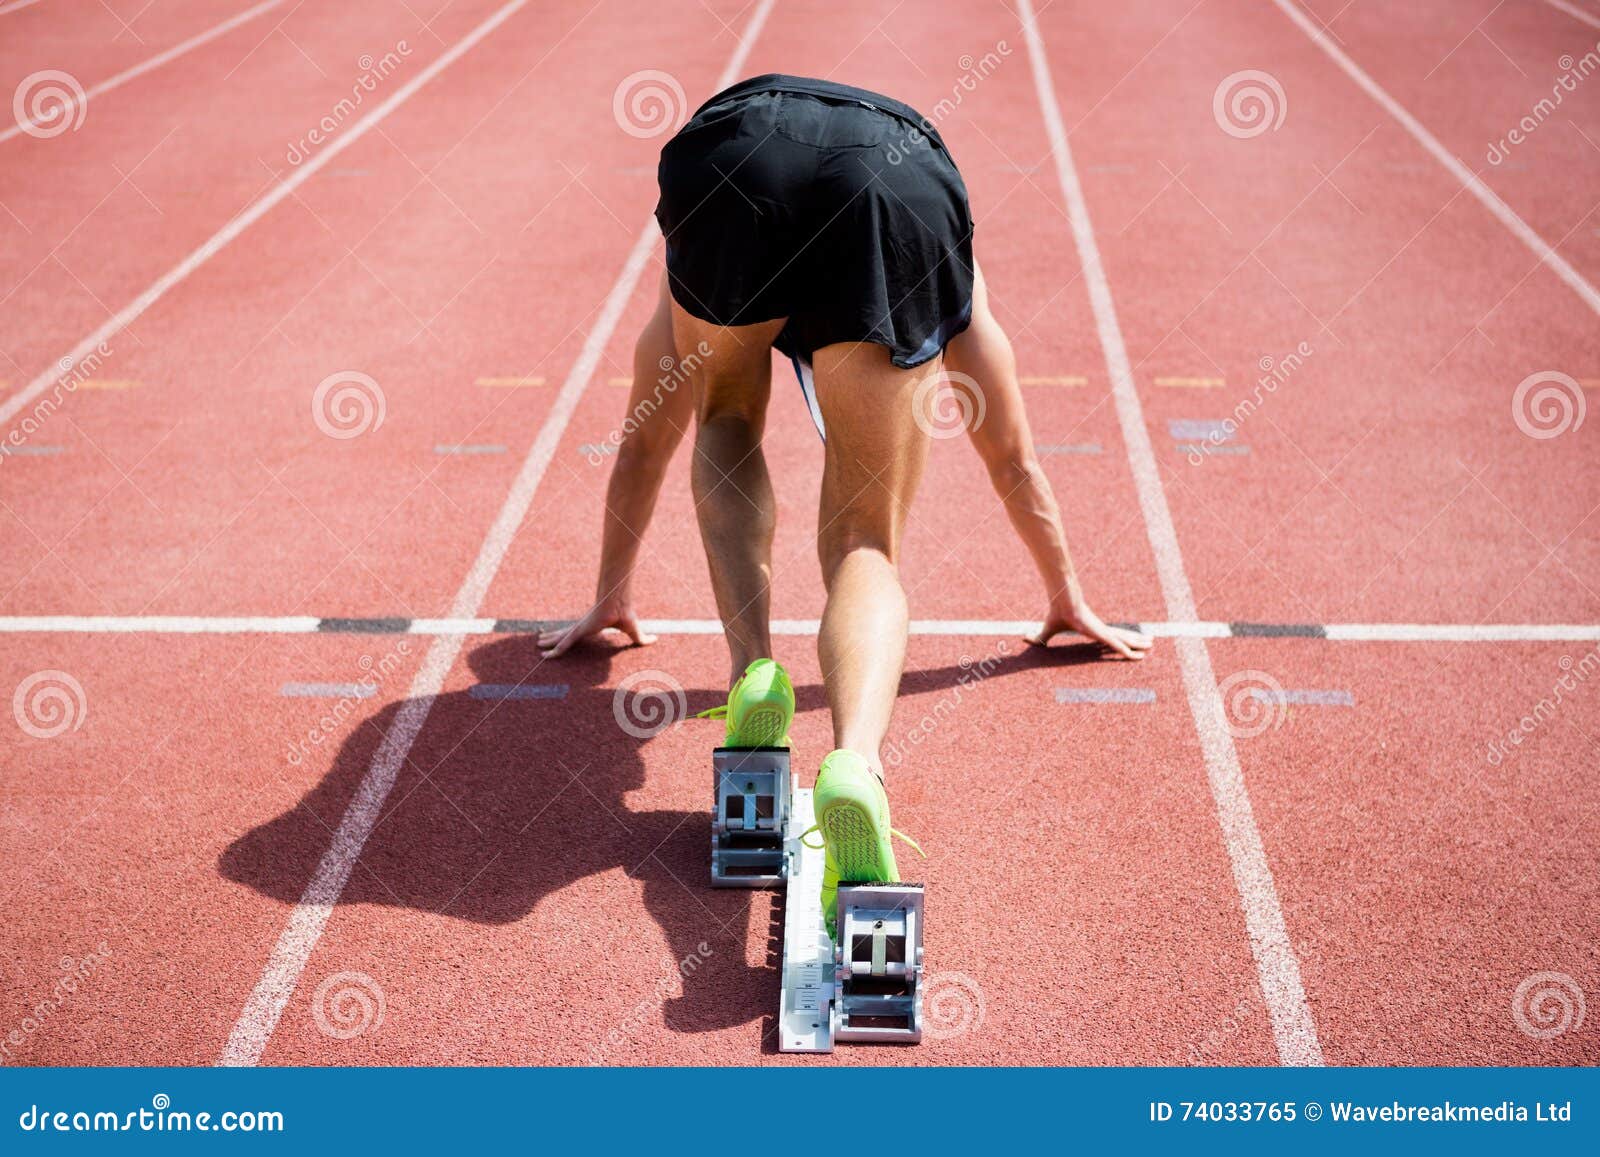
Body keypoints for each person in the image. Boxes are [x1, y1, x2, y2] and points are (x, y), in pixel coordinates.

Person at [541, 75, 1151, 934]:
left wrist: (611, 590)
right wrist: (1064, 592)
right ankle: (855, 765)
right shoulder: (957, 277)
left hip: (734, 153)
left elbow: (647, 435)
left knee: (723, 416)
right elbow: (1009, 454)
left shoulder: (695, 256)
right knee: (866, 536)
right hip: (891, 189)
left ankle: (755, 669)